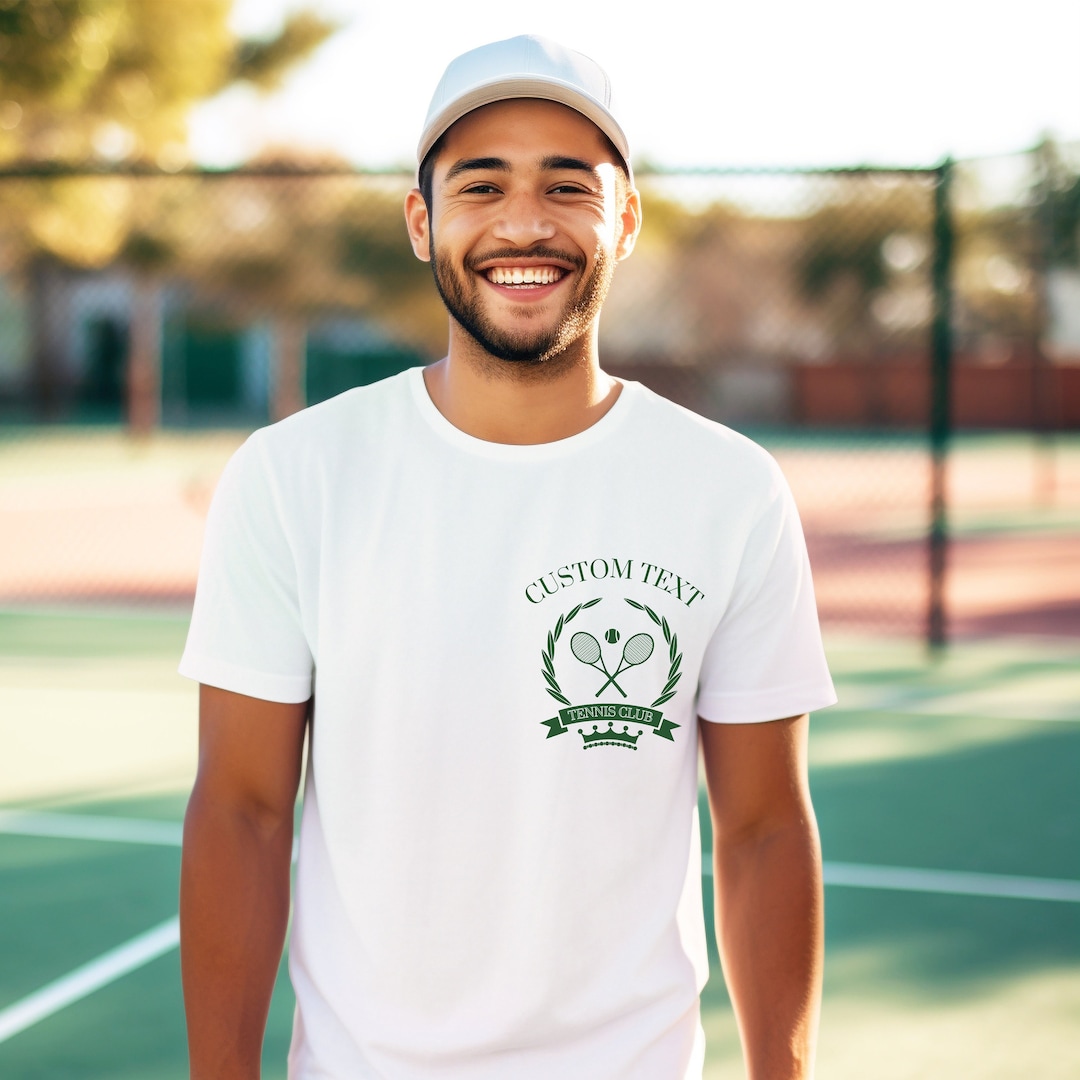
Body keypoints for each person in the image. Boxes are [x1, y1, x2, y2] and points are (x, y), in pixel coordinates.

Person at [179, 34, 837, 1080]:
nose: (524, 223)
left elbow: (760, 830)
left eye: (567, 187)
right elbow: (242, 813)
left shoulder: (729, 489)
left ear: (623, 220)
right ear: (420, 219)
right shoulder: (293, 475)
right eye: (481, 184)